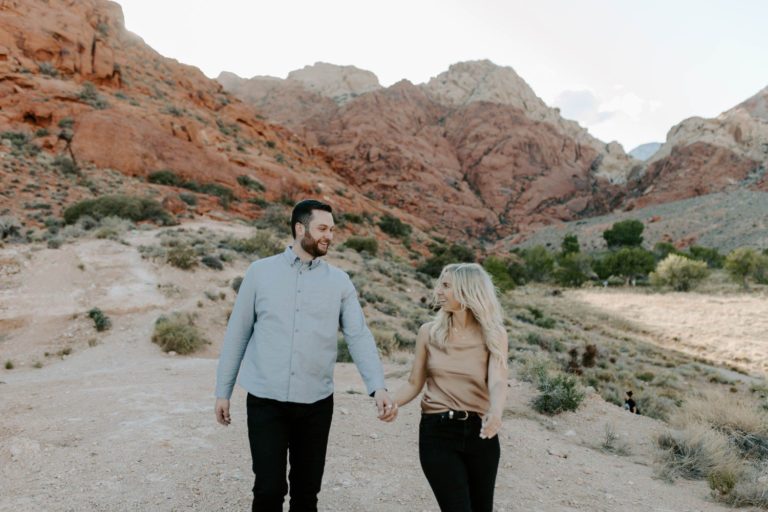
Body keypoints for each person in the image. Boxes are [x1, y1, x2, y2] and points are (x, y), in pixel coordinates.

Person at [214, 199, 394, 512]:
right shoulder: (260, 273)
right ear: (300, 229)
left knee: (306, 494)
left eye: (332, 229)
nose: (330, 236)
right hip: (266, 401)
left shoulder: (339, 282)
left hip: (316, 404)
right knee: (268, 490)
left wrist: (377, 385)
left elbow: (358, 335)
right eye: (322, 228)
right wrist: (223, 392)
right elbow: (237, 334)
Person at [381, 263, 509, 512]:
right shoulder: (428, 333)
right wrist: (392, 402)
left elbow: (497, 379)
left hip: (480, 434)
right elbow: (414, 383)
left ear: (467, 291)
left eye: (446, 285)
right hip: (437, 433)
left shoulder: (494, 334)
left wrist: (496, 411)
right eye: (440, 283)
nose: (438, 290)